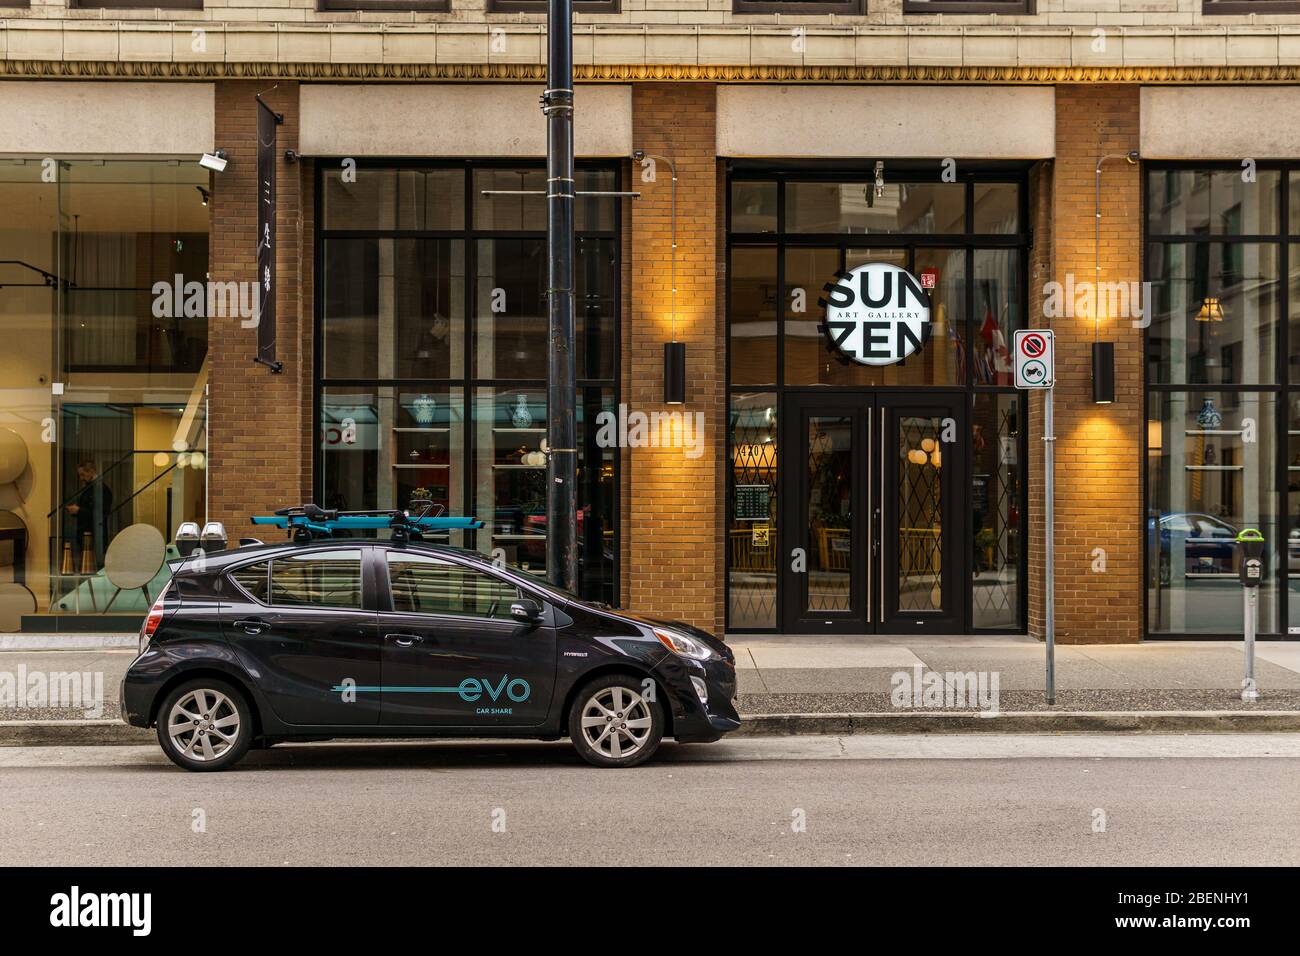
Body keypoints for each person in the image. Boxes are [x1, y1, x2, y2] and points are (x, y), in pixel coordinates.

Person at [65, 461, 112, 569]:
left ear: (91, 471)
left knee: (92, 568)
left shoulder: (101, 489)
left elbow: (101, 514)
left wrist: (78, 510)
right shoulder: (91, 488)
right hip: (87, 535)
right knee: (86, 567)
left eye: (82, 474)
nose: (81, 478)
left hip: (94, 536)